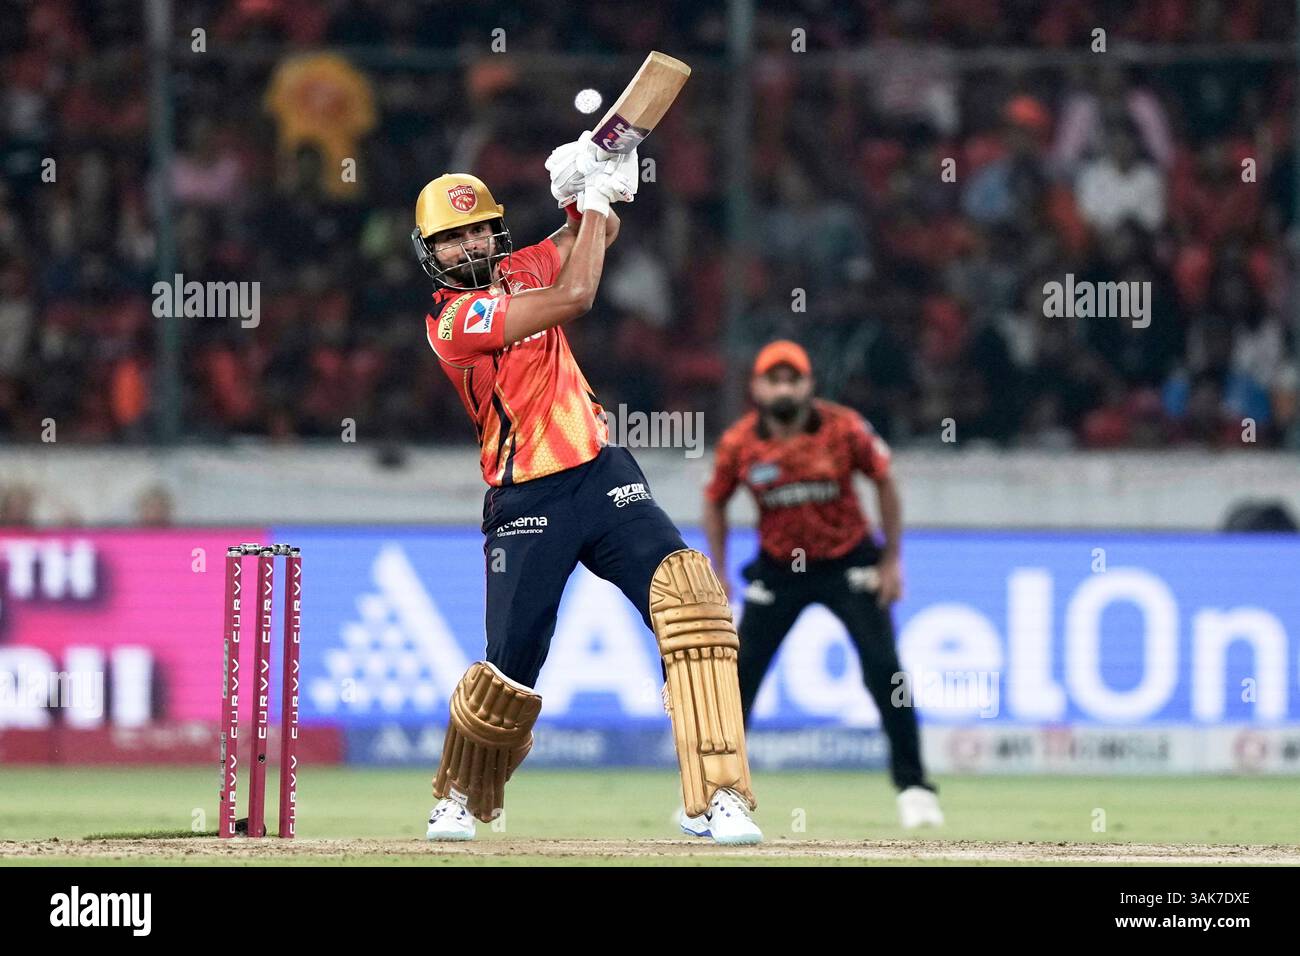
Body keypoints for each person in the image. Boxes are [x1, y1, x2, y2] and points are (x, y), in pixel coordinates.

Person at [413, 133, 760, 844]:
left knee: (691, 605)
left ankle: (717, 797)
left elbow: (585, 241)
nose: (470, 245)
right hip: (525, 499)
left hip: (603, 475)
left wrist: (589, 189)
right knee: (511, 666)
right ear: (431, 252)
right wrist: (594, 203)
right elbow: (577, 293)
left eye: (478, 227)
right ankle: (459, 797)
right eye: (452, 239)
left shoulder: (522, 265)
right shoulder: (452, 322)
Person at [703, 340, 943, 829]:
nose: (784, 387)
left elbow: (885, 479)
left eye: (794, 379)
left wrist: (892, 559)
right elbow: (714, 502)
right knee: (738, 680)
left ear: (810, 385)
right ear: (757, 388)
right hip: (777, 570)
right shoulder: (740, 444)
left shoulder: (844, 428)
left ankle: (915, 787)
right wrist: (720, 572)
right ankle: (717, 793)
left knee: (885, 672)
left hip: (847, 564)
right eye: (775, 379)